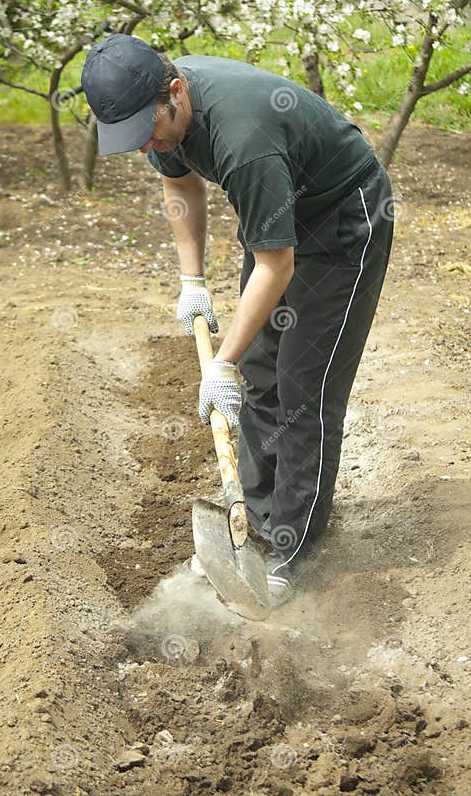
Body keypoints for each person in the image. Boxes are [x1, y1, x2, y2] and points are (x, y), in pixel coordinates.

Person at [81, 33, 394, 608]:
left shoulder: (244, 137)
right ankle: (253, 524)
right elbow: (179, 182)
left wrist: (219, 363)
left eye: (147, 130)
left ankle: (292, 551)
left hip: (343, 220)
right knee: (261, 372)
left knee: (304, 387)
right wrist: (192, 281)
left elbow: (275, 264)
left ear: (177, 92)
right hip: (280, 218)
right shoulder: (160, 113)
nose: (145, 144)